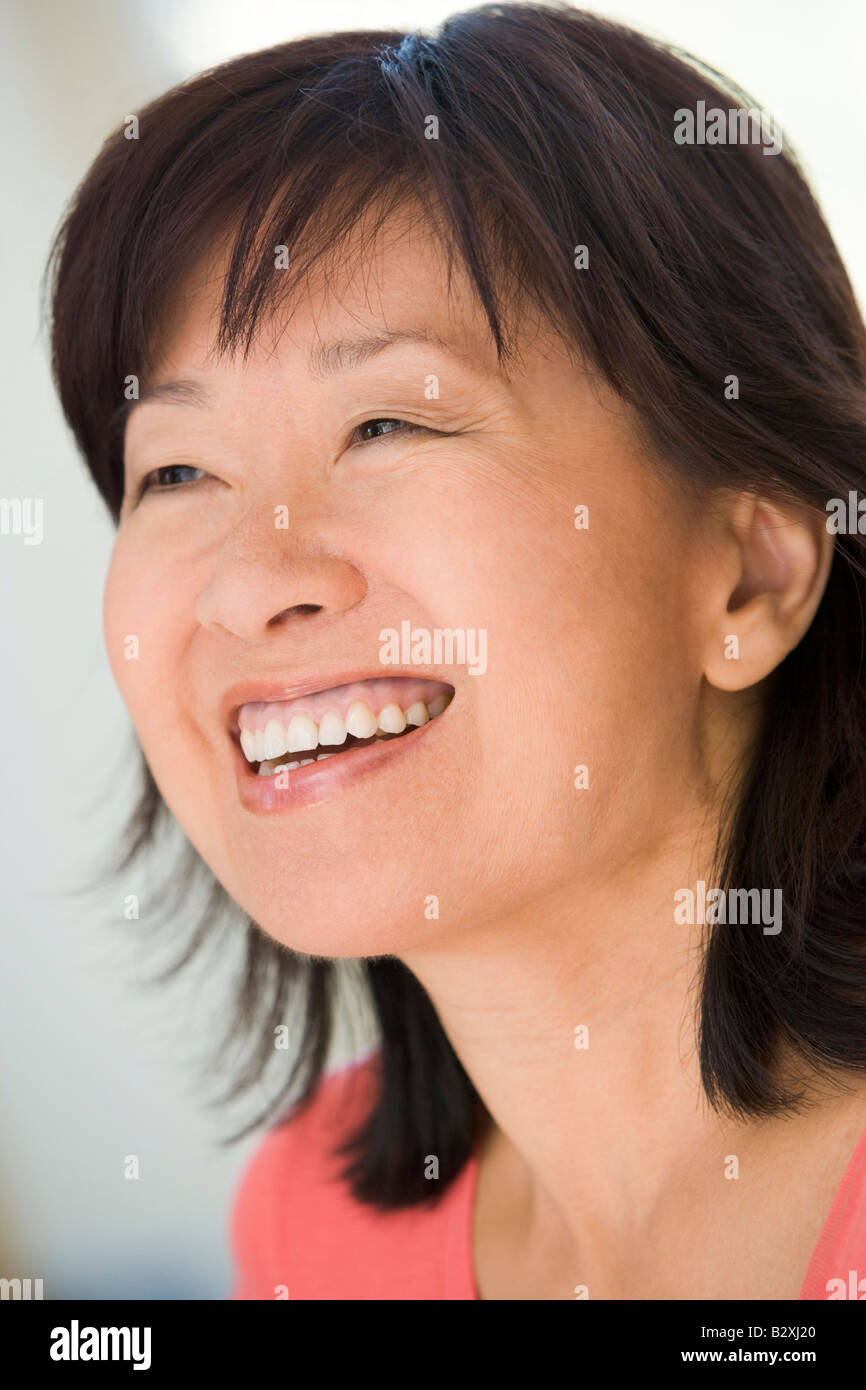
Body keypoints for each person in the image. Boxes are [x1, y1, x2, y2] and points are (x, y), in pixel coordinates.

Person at [46, 3, 866, 1299]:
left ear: (749, 569)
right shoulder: (309, 1230)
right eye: (179, 467)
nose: (253, 580)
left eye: (386, 425)